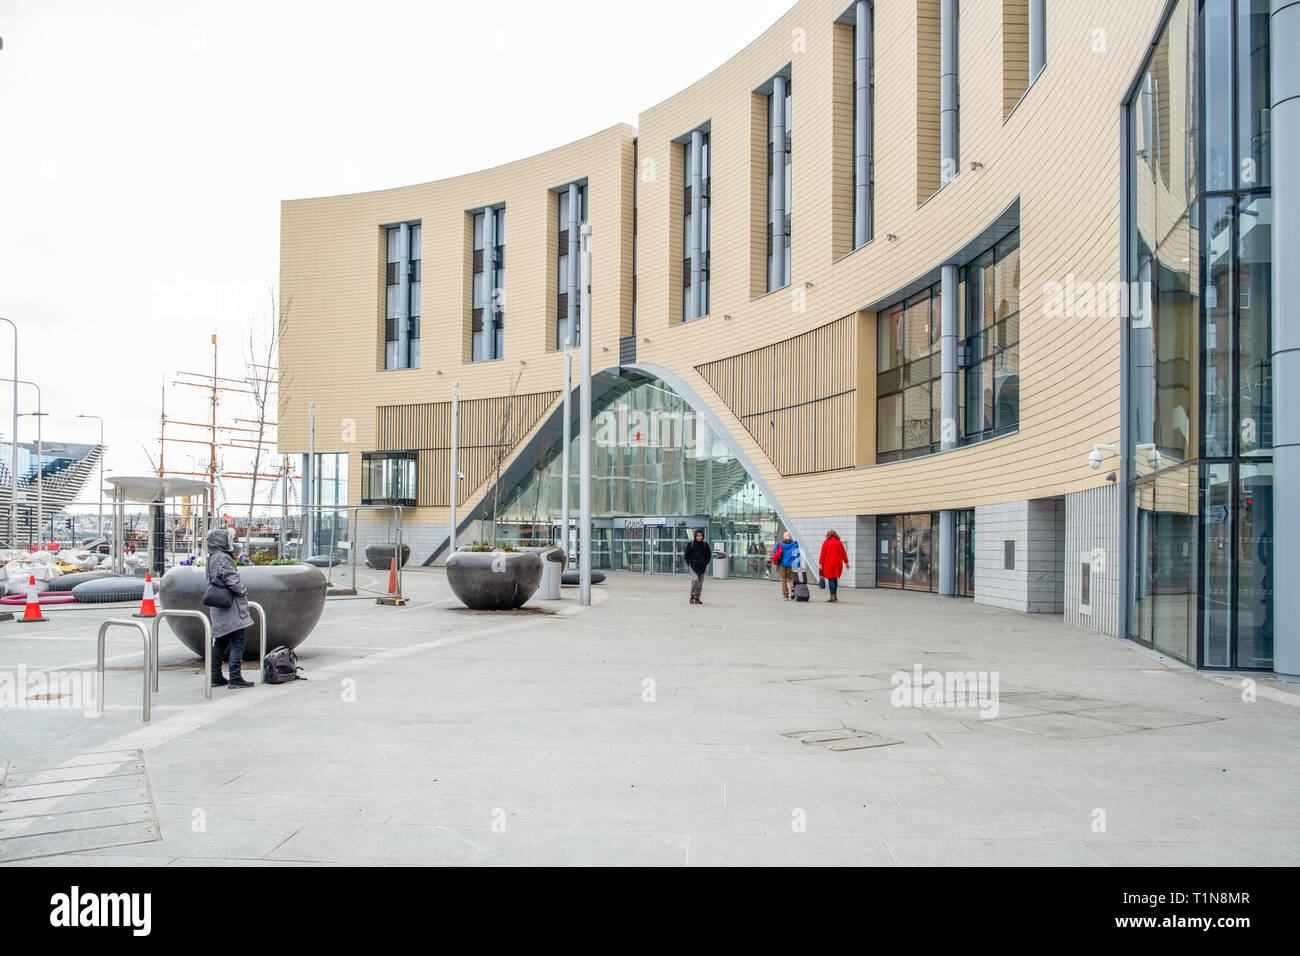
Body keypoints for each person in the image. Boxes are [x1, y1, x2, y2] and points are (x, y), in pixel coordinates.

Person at [205, 527, 256, 689]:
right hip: (231, 606)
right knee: (238, 640)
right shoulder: (223, 558)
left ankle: (215, 675)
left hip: (218, 605)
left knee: (220, 640)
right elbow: (232, 580)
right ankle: (235, 676)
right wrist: (242, 590)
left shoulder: (211, 557)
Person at [819, 530, 850, 603]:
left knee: (831, 580)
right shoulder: (839, 543)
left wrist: (820, 563)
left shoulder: (826, 543)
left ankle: (832, 596)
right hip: (838, 564)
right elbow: (844, 553)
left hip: (829, 564)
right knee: (835, 579)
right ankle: (835, 595)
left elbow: (822, 554)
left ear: (828, 535)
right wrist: (846, 563)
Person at [770, 532, 802, 600]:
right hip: (791, 565)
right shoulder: (795, 544)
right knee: (791, 578)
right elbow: (797, 556)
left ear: (784, 537)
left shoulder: (780, 544)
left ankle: (785, 596)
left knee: (783, 580)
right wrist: (798, 567)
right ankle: (792, 587)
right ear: (790, 537)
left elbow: (774, 552)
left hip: (782, 565)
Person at [683, 529, 711, 605]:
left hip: (702, 566)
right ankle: (692, 596)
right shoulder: (691, 544)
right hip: (693, 566)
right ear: (695, 536)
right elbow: (686, 554)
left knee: (700, 583)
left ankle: (697, 598)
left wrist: (706, 562)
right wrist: (689, 562)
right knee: (695, 580)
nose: (699, 537)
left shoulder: (705, 545)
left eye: (701, 536)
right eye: (698, 536)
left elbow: (709, 555)